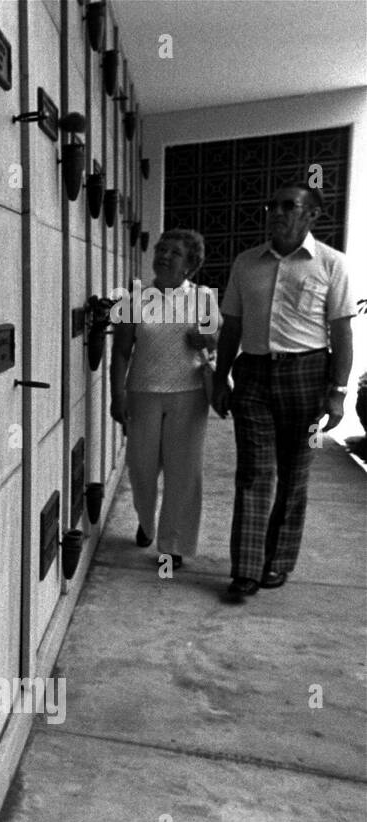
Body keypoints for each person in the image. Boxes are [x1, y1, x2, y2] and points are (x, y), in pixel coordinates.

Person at [212, 180, 356, 603]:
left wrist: (338, 392)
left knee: (295, 474)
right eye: (272, 205)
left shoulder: (332, 264)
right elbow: (232, 327)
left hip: (308, 377)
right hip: (253, 375)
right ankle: (246, 569)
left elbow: (341, 331)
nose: (277, 212)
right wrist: (221, 379)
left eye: (288, 206)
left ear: (311, 214)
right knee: (254, 473)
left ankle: (277, 560)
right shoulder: (245, 263)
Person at [110, 229, 215, 571]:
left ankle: (173, 545)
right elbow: (122, 352)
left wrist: (206, 338)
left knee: (183, 473)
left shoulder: (203, 298)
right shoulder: (133, 298)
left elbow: (218, 343)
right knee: (141, 470)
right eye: (161, 249)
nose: (165, 256)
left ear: (190, 265)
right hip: (143, 394)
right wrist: (117, 394)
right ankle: (146, 520)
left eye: (175, 253)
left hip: (189, 395)